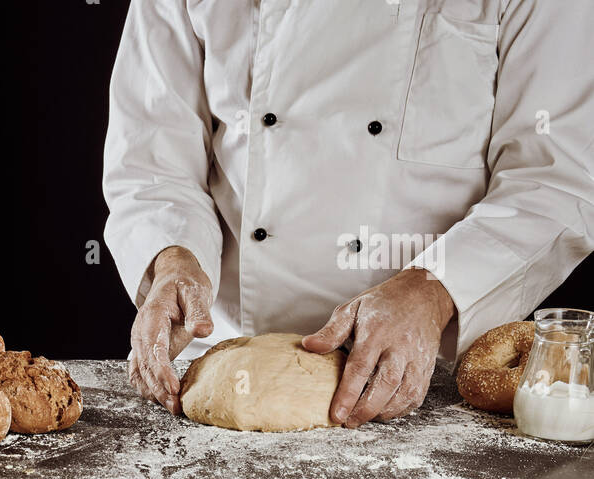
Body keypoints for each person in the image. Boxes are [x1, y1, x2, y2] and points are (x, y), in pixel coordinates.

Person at [104, 0, 594, 427]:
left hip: (427, 383)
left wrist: (434, 292)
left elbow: (554, 179)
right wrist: (173, 261)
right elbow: (151, 160)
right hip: (222, 359)